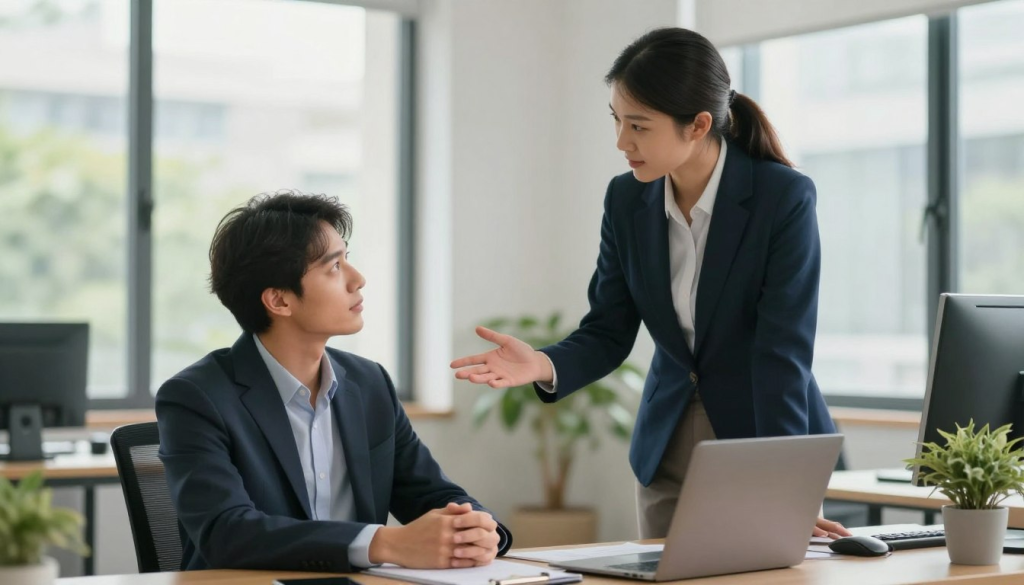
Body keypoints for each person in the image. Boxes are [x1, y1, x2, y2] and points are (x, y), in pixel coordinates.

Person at [450, 28, 850, 540]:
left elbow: (782, 354)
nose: (621, 141)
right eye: (616, 120)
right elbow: (609, 329)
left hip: (760, 432)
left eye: (638, 125)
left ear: (698, 125)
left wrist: (785, 484)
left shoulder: (782, 197)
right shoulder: (626, 200)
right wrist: (544, 364)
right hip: (667, 438)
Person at [157, 191, 511, 571]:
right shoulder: (196, 397)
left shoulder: (368, 383)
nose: (358, 279)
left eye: (348, 259)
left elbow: (429, 492)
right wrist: (384, 543)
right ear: (279, 301)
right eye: (334, 266)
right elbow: (227, 533)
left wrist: (479, 530)